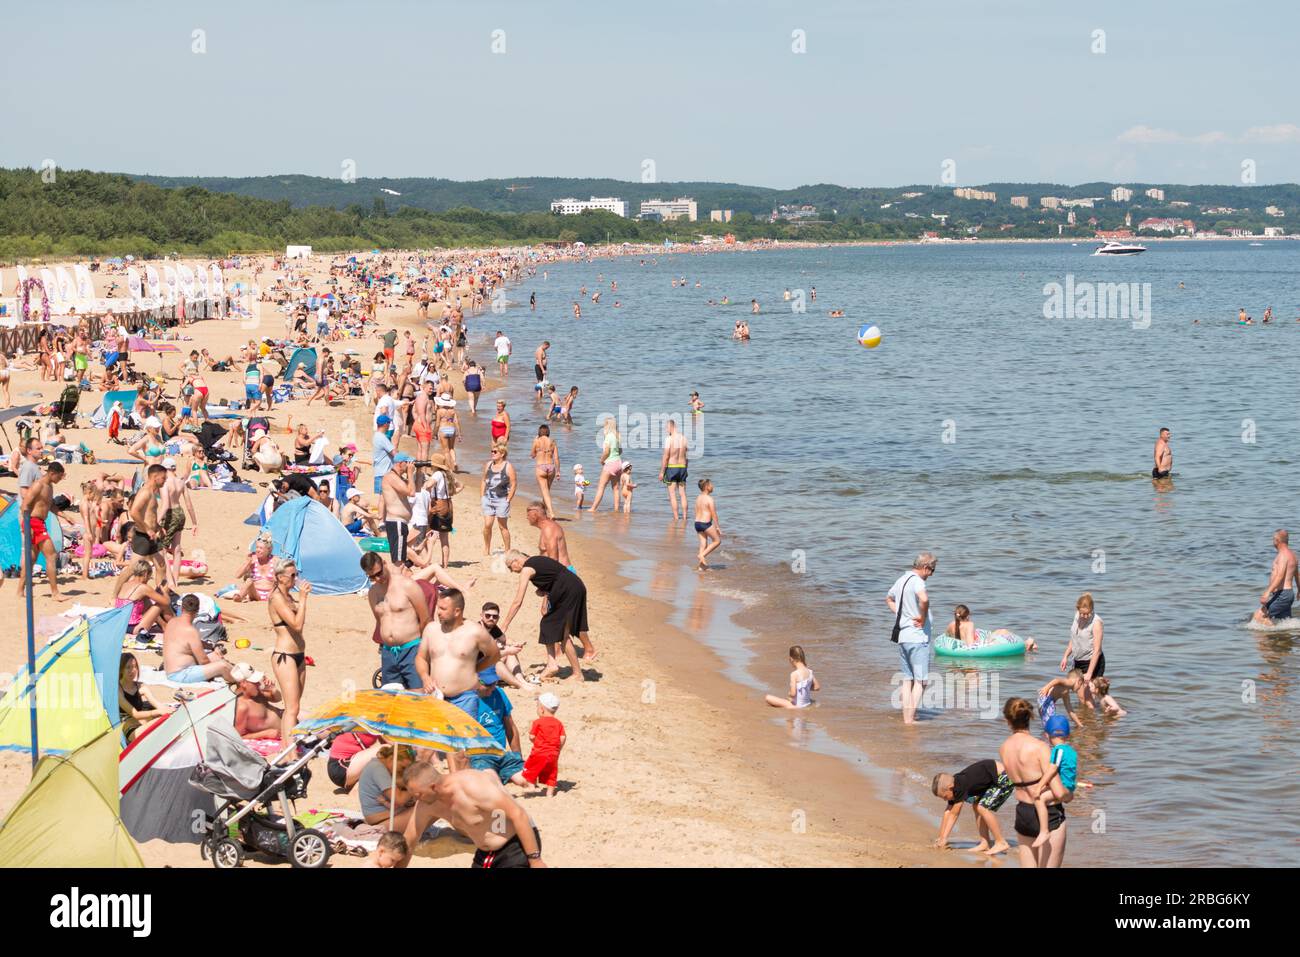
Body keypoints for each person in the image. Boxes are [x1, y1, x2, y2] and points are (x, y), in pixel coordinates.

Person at [401, 762, 546, 868]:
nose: (416, 799)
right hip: (485, 853)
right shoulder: (426, 804)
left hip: (515, 845)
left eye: (418, 794)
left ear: (433, 787)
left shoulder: (473, 787)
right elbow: (409, 840)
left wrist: (535, 859)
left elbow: (518, 814)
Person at [502, 551, 594, 679]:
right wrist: (545, 599)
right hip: (575, 585)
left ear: (516, 561)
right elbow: (553, 577)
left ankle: (566, 669)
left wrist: (505, 625)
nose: (512, 571)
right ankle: (560, 666)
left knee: (557, 630)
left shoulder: (526, 569)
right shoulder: (537, 559)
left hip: (567, 590)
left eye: (510, 567)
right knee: (552, 627)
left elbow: (518, 601)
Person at [998, 697, 1066, 868]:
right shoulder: (1040, 747)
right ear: (1030, 717)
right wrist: (1070, 793)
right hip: (1049, 813)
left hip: (1023, 813)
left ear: (1007, 721)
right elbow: (1058, 791)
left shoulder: (1004, 748)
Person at [415, 588, 500, 717]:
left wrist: (475, 668)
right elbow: (421, 657)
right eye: (438, 607)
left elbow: (494, 655)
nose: (438, 612)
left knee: (464, 737)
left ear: (457, 611)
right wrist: (425, 677)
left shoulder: (475, 631)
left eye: (443, 609)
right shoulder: (431, 629)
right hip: (436, 696)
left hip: (465, 699)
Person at [362, 550, 432, 690]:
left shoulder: (407, 585)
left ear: (384, 563)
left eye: (378, 573)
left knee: (417, 696)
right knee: (390, 700)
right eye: (371, 577)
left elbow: (425, 619)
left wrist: (423, 651)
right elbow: (380, 621)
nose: (377, 579)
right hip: (388, 653)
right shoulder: (373, 592)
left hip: (412, 649)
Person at [886, 552, 937, 725]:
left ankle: (908, 715)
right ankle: (909, 719)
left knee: (908, 679)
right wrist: (922, 617)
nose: (931, 574)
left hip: (903, 637)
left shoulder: (901, 580)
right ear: (925, 567)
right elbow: (924, 599)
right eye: (932, 570)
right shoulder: (917, 581)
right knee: (921, 681)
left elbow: (888, 599)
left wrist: (903, 616)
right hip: (917, 638)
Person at [268, 558, 310, 752]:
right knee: (291, 707)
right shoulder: (276, 598)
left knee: (294, 707)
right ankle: (290, 752)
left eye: (296, 574)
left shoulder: (289, 597)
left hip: (299, 654)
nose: (296, 579)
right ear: (280, 578)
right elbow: (296, 624)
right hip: (285, 656)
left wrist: (299, 600)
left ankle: (288, 747)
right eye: (292, 575)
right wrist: (303, 600)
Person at [931, 758, 1013, 855]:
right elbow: (947, 812)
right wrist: (941, 837)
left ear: (950, 788)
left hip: (1004, 777)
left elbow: (954, 815)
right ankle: (985, 843)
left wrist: (945, 838)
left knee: (982, 808)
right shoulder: (954, 786)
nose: (945, 800)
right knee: (976, 806)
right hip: (992, 778)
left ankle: (1001, 842)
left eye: (945, 797)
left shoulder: (959, 787)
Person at [468, 668, 529, 787]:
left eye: (494, 683)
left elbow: (510, 727)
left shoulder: (499, 693)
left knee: (526, 779)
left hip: (501, 754)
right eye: (488, 685)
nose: (492, 688)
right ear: (476, 680)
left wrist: (517, 757)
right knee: (491, 782)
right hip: (480, 756)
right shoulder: (467, 700)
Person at [19, 460, 67, 601]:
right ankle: (55, 593)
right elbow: (25, 506)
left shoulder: (49, 486)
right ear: (52, 473)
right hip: (33, 523)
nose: (60, 479)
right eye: (59, 476)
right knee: (51, 556)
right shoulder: (38, 485)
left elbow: (50, 506)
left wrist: (65, 516)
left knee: (31, 559)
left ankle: (20, 591)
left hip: (40, 523)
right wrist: (27, 527)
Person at [1029, 715, 1079, 849]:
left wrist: (1039, 787)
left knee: (1039, 799)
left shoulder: (1057, 750)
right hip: (1069, 787)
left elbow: (1052, 770)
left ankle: (1044, 831)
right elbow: (1070, 772)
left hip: (1061, 787)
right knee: (1049, 800)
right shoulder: (1072, 751)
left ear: (1047, 735)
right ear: (1068, 735)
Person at [162, 594, 232, 684]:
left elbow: (185, 643)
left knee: (215, 657)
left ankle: (237, 673)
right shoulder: (190, 630)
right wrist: (215, 666)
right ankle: (241, 683)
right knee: (223, 666)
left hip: (171, 670)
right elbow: (203, 661)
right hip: (181, 674)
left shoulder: (172, 621)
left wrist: (211, 648)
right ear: (197, 611)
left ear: (181, 608)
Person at [158, 458, 198, 591]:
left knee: (162, 548)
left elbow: (165, 505)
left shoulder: (165, 483)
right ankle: (175, 579)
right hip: (180, 512)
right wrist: (194, 522)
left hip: (170, 514)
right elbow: (189, 504)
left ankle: (170, 581)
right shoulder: (181, 482)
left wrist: (157, 520)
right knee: (176, 548)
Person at [359, 744, 419, 829]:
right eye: (402, 767)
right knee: (430, 806)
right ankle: (411, 840)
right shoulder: (378, 769)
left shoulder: (379, 766)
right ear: (391, 758)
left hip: (384, 817)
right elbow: (399, 799)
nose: (403, 772)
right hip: (381, 822)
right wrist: (415, 788)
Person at [1061, 592, 1104, 710]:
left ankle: (1095, 722)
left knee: (1088, 697)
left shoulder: (1096, 623)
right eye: (1082, 613)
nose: (1085, 616)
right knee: (1081, 696)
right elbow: (1074, 638)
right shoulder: (1076, 616)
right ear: (1078, 609)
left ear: (1092, 609)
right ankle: (1087, 720)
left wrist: (1089, 673)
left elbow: (1097, 650)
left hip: (1092, 662)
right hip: (1078, 661)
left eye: (1087, 613)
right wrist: (1065, 656)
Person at [113, 559, 173, 637]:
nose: (148, 579)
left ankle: (164, 625)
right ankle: (173, 624)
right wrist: (164, 591)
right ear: (145, 574)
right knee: (160, 604)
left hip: (121, 626)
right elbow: (166, 602)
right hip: (135, 629)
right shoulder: (143, 588)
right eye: (149, 577)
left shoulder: (125, 584)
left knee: (145, 601)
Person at [118, 652, 170, 740]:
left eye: (134, 667)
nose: (132, 670)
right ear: (121, 670)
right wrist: (159, 712)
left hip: (143, 721)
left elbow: (158, 705)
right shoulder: (118, 689)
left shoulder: (140, 686)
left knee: (166, 719)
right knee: (160, 724)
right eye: (128, 667)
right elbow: (135, 714)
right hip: (128, 725)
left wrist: (168, 710)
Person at [522, 692, 566, 796]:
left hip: (539, 752)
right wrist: (558, 748)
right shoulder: (558, 723)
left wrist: (535, 742)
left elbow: (532, 736)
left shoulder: (538, 722)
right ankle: (549, 793)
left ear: (541, 709)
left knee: (531, 768)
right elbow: (563, 737)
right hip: (553, 754)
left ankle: (531, 786)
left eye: (537, 706)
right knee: (552, 772)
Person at [1253, 528, 1299, 626]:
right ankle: (1283, 639)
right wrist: (1299, 590)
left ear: (1277, 541)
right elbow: (1297, 575)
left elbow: (1280, 576)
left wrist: (1267, 592)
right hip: (1288, 594)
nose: (1272, 542)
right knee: (1284, 623)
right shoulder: (1293, 555)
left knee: (1258, 617)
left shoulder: (1283, 555)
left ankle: (1267, 638)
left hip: (1282, 594)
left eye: (1273, 539)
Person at [230, 663, 283, 740]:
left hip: (286, 719)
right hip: (281, 734)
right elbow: (238, 737)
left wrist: (273, 689)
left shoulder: (256, 692)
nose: (259, 684)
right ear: (243, 683)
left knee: (305, 715)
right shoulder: (242, 707)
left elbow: (277, 699)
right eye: (255, 682)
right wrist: (265, 734)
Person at [480, 443, 516, 555]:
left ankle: (507, 550)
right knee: (487, 525)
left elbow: (514, 483)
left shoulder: (508, 466)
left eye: (495, 452)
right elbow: (483, 480)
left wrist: (508, 499)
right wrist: (482, 496)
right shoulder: (489, 465)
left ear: (502, 453)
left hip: (502, 500)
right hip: (488, 499)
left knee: (502, 526)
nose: (492, 453)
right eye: (492, 451)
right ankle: (486, 548)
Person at [382, 453, 415, 564]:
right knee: (399, 561)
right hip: (396, 523)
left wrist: (418, 472)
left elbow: (417, 488)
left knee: (400, 559)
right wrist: (410, 474)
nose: (409, 465)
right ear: (400, 463)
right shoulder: (391, 477)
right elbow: (411, 492)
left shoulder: (398, 478)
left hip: (400, 523)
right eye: (408, 463)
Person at [586, 418, 624, 512]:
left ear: (607, 426)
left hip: (610, 463)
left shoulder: (608, 437)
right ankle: (616, 510)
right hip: (618, 463)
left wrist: (601, 460)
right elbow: (620, 451)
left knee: (601, 487)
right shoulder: (617, 436)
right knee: (615, 488)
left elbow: (606, 451)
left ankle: (593, 508)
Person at [230, 533, 277, 602]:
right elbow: (237, 575)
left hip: (270, 594)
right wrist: (248, 563)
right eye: (257, 547)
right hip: (255, 594)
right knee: (249, 580)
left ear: (268, 549)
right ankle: (240, 596)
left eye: (261, 548)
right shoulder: (253, 558)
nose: (258, 550)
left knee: (277, 582)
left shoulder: (275, 560)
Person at [660, 417, 690, 521]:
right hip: (682, 467)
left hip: (672, 468)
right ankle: (685, 518)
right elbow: (686, 456)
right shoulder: (684, 438)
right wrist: (686, 469)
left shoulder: (669, 439)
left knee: (672, 495)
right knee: (683, 494)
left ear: (671, 427)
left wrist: (662, 472)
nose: (666, 430)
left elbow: (666, 456)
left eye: (666, 428)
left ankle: (676, 518)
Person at [530, 425, 560, 518]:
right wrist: (558, 471)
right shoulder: (553, 441)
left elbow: (532, 455)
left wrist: (534, 443)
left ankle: (551, 513)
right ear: (548, 432)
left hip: (540, 467)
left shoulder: (537, 441)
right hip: (551, 467)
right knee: (546, 491)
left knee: (545, 492)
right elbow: (556, 458)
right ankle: (543, 512)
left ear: (539, 432)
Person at [693, 478, 722, 570]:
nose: (712, 486)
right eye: (711, 485)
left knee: (703, 544)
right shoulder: (709, 499)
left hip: (697, 523)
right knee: (717, 541)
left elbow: (696, 510)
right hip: (705, 524)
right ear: (706, 487)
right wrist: (717, 527)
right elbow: (714, 514)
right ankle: (701, 555)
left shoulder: (698, 497)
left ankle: (701, 567)